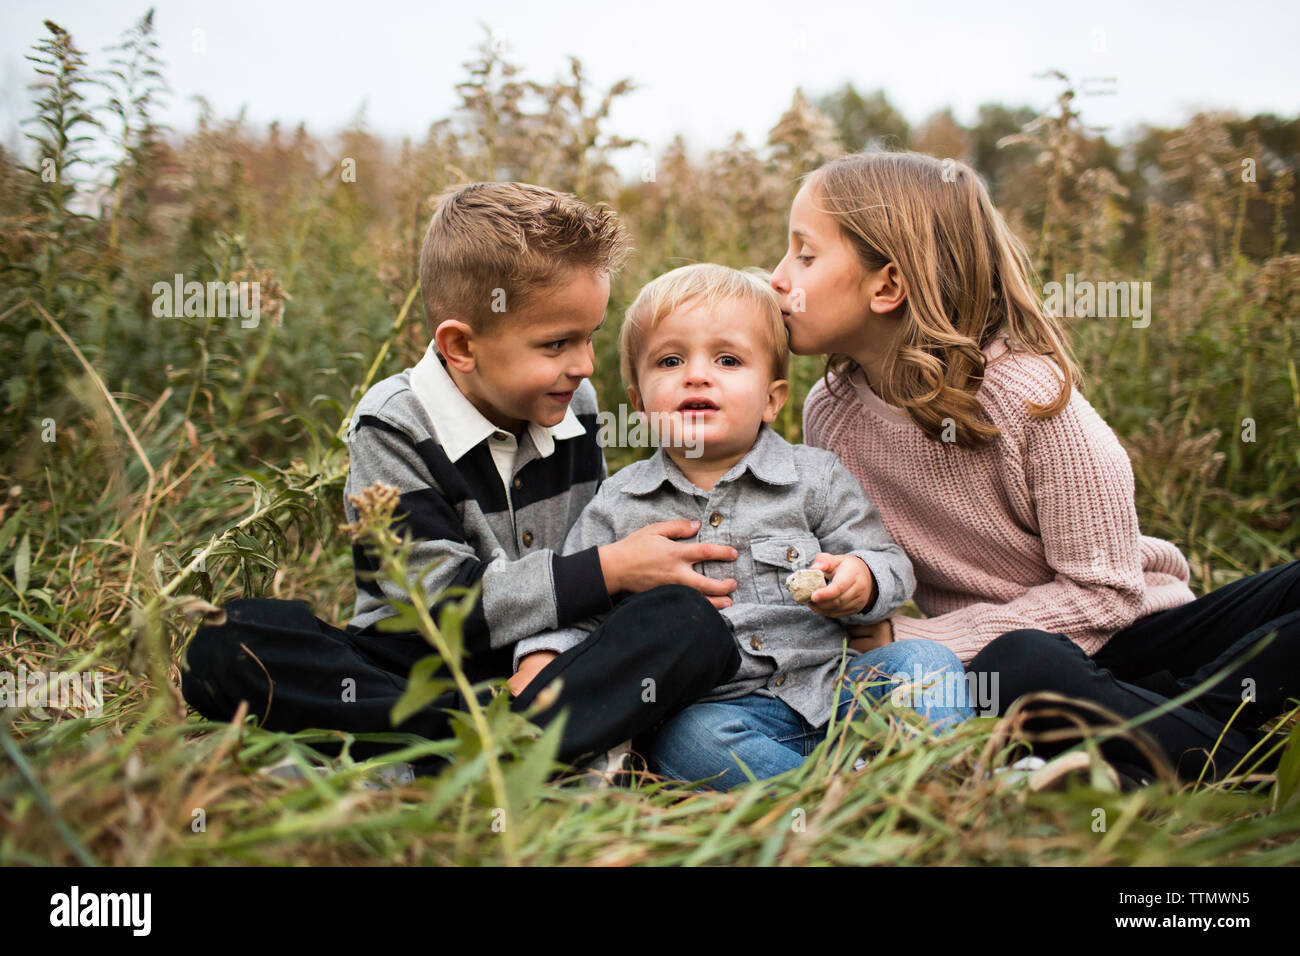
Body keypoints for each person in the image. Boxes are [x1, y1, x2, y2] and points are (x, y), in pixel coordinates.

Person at [771, 149, 1300, 783]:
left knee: (1021, 661)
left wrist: (918, 641)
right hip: (1022, 666)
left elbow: (1105, 594)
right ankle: (1195, 739)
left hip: (1131, 634)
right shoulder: (830, 413)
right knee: (1019, 666)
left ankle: (1222, 753)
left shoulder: (1027, 398)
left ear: (886, 285)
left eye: (804, 254)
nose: (777, 277)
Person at [181, 181, 747, 773]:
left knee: (691, 626)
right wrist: (609, 569)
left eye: (590, 337)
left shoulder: (574, 405)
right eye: (557, 343)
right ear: (461, 346)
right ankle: (504, 741)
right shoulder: (395, 424)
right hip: (416, 665)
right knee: (226, 642)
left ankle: (453, 752)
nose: (582, 365)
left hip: (550, 664)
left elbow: (591, 550)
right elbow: (438, 603)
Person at [520, 263, 973, 792]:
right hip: (721, 710)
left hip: (833, 688)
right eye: (670, 360)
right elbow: (580, 613)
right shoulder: (619, 504)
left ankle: (940, 783)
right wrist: (540, 660)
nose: (697, 375)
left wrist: (862, 578)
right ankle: (833, 800)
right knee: (687, 744)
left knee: (925, 662)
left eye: (728, 360)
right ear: (639, 404)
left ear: (772, 400)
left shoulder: (815, 478)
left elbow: (890, 563)